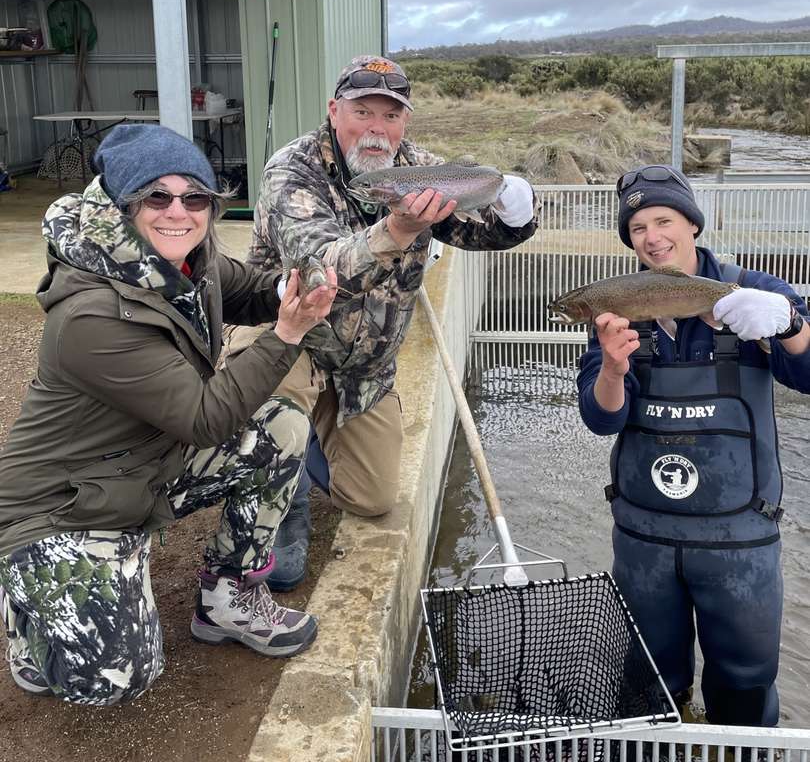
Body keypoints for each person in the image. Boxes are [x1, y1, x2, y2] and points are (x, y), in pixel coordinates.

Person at [0, 123, 337, 706]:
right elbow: (206, 420)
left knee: (282, 427)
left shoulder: (189, 263)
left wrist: (296, 281)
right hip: (63, 505)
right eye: (157, 196)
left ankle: (227, 599)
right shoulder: (91, 315)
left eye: (196, 197)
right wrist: (288, 332)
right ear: (122, 205)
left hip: (143, 470)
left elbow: (252, 289)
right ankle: (29, 604)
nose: (178, 211)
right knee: (117, 679)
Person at [239, 55, 538, 589]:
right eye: (363, 112)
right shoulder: (292, 170)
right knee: (280, 547)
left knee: (373, 499)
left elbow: (477, 232)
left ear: (406, 122)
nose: (377, 129)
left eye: (391, 115)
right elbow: (320, 271)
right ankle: (281, 494)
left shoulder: (422, 168)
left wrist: (515, 211)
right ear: (334, 111)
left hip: (365, 367)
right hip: (289, 346)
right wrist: (397, 229)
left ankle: (307, 447)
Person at [577, 164, 810, 727]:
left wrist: (789, 326)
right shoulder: (618, 303)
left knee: (746, 681)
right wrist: (612, 367)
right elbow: (601, 419)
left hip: (741, 536)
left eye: (664, 220)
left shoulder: (751, 291)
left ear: (693, 225)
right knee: (648, 680)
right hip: (643, 536)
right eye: (637, 229)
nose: (652, 237)